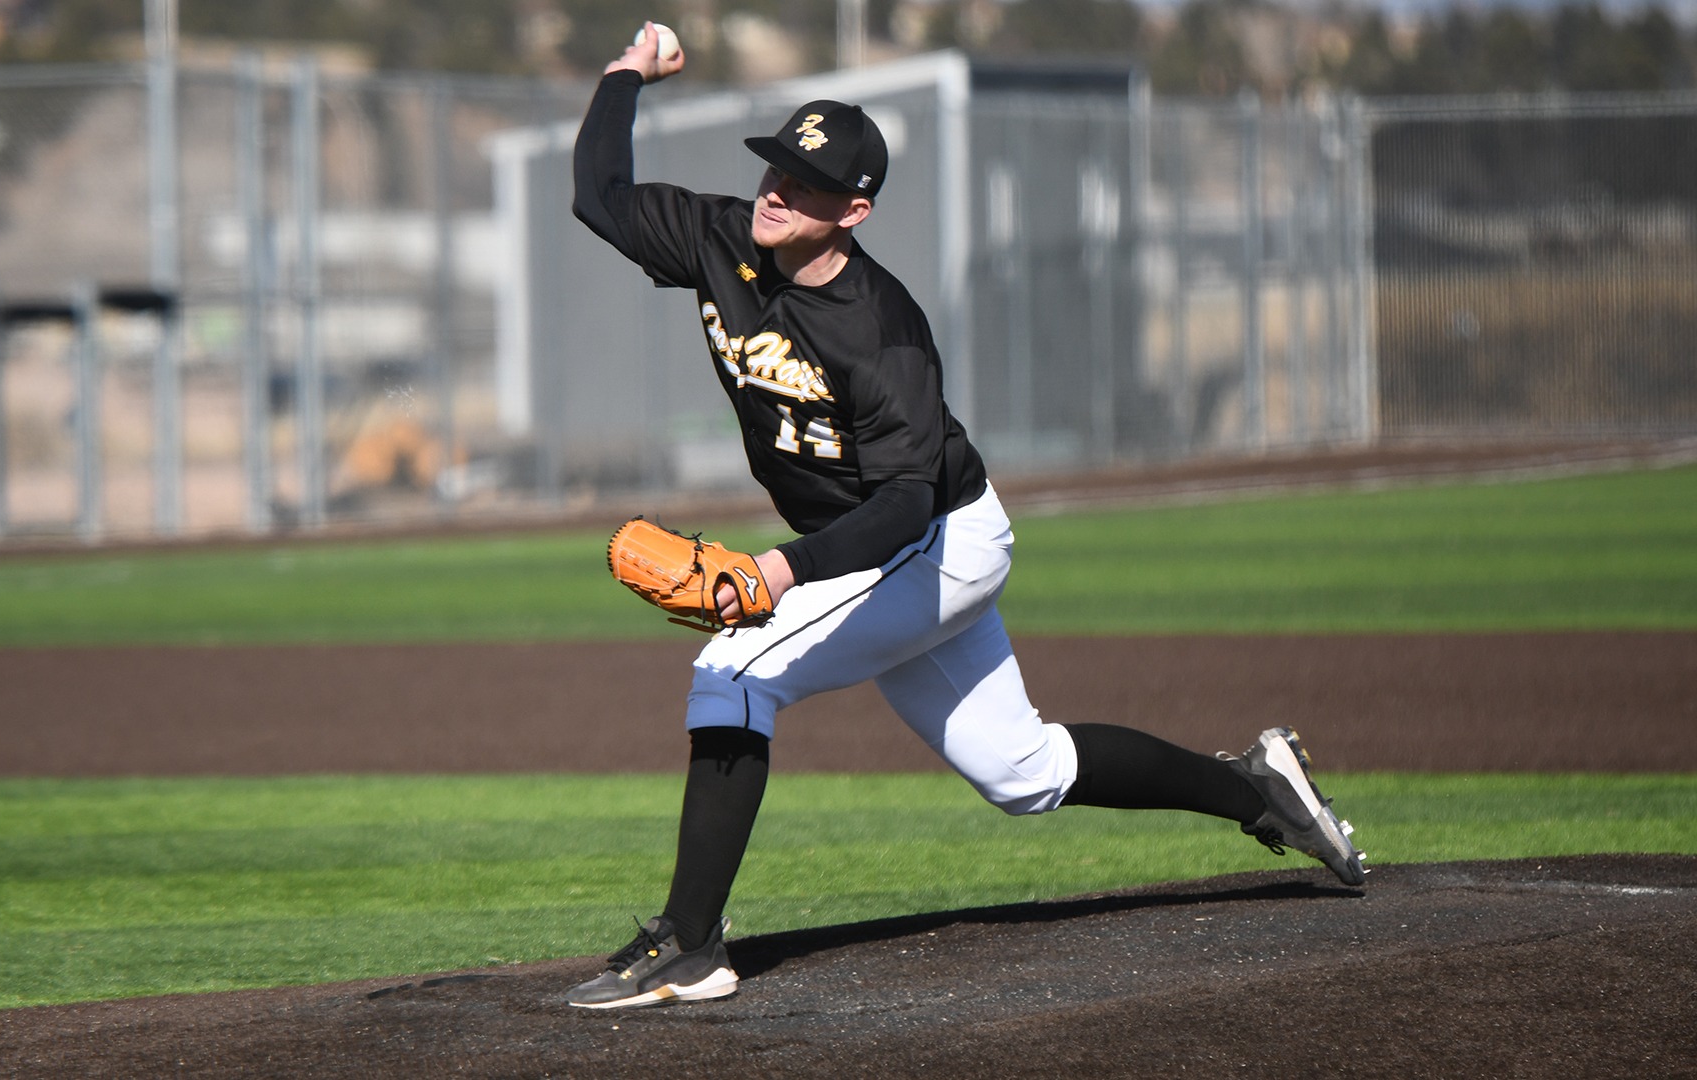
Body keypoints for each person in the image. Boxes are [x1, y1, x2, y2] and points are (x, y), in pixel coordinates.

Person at [561, 25, 1364, 1011]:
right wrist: (626, 76)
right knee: (1019, 769)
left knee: (734, 673)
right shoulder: (721, 239)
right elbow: (598, 195)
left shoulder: (882, 331)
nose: (777, 191)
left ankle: (691, 943)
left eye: (805, 184)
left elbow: (903, 508)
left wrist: (778, 572)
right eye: (775, 168)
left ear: (853, 211)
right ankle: (1257, 787)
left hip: (938, 540)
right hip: (873, 550)